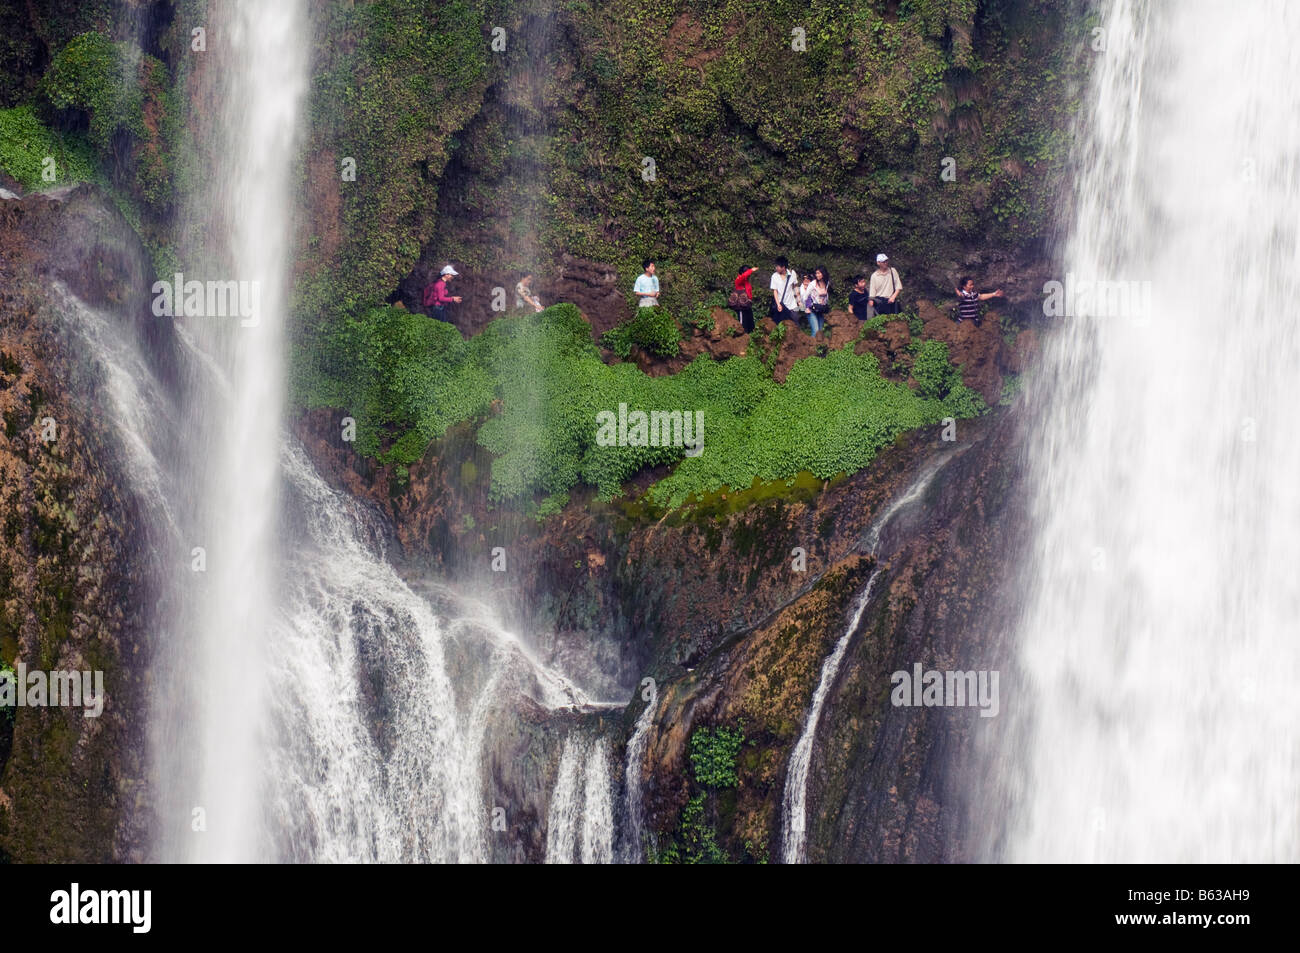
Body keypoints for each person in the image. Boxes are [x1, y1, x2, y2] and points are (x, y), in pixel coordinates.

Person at [769, 256, 799, 323]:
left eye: (777, 266)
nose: (776, 268)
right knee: (782, 323)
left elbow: (795, 287)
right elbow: (775, 291)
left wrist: (798, 300)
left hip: (792, 304)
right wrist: (778, 304)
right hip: (781, 304)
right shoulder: (774, 276)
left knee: (795, 321)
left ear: (783, 267)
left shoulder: (792, 273)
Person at [806, 266, 831, 338]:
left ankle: (818, 348)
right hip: (812, 309)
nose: (817, 275)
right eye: (816, 273)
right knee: (816, 331)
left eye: (819, 273)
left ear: (823, 273)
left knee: (820, 331)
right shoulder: (813, 284)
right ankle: (811, 348)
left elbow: (826, 297)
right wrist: (807, 307)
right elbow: (805, 296)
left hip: (821, 309)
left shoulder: (827, 283)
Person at [731, 265, 757, 333]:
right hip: (741, 306)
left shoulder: (746, 282)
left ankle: (750, 337)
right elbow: (743, 276)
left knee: (750, 323)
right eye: (747, 272)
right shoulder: (738, 280)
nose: (749, 275)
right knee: (742, 324)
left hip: (747, 305)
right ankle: (741, 338)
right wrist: (751, 270)